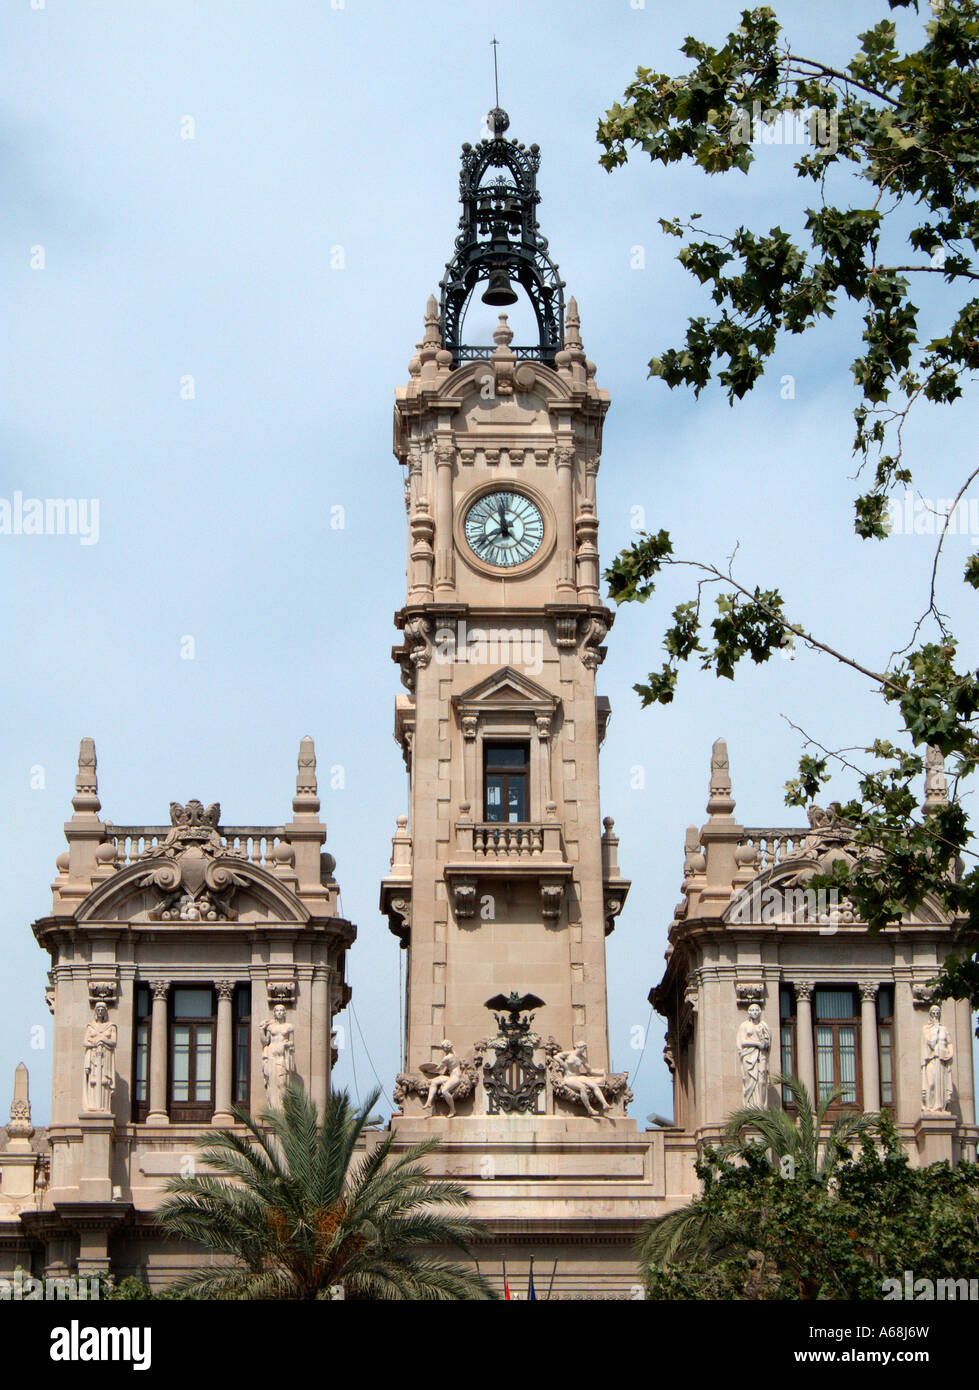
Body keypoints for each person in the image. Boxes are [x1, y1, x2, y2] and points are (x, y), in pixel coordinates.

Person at [83, 1002, 117, 1111]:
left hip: (105, 1056)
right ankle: (93, 1106)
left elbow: (113, 1042)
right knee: (93, 1080)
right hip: (94, 1056)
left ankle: (104, 1106)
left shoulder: (111, 1026)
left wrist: (102, 1040)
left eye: (102, 1009)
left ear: (105, 1011)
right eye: (98, 1009)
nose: (100, 1012)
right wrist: (95, 1043)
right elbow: (85, 1042)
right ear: (96, 1011)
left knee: (104, 1080)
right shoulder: (90, 1026)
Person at [737, 1003, 771, 1108]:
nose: (754, 1012)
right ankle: (750, 1106)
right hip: (748, 1057)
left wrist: (763, 1041)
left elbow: (768, 1043)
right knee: (749, 1081)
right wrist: (757, 1044)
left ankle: (761, 1107)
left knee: (762, 1081)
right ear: (748, 1012)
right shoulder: (744, 1025)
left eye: (756, 1010)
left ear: (760, 1012)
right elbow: (743, 1042)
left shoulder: (764, 1026)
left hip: (761, 1057)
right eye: (752, 1010)